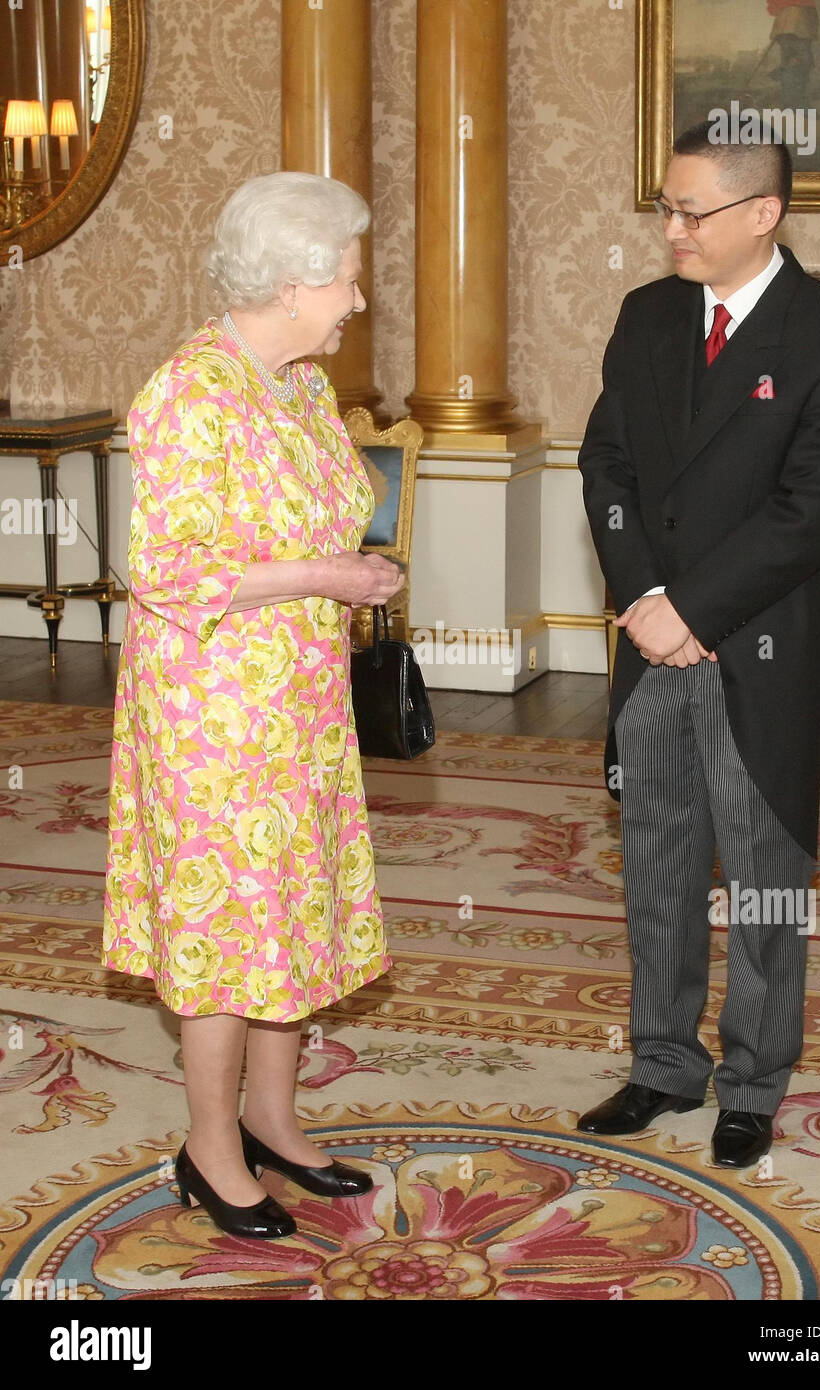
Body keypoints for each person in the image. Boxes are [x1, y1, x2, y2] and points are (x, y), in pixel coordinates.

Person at [576, 121, 820, 1168]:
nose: (669, 229)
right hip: (652, 634)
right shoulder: (648, 317)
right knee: (656, 859)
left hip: (753, 647)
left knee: (763, 869)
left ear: (763, 214)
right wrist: (644, 595)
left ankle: (754, 1078)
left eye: (689, 211)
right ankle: (662, 1061)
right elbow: (606, 464)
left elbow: (809, 514)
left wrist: (692, 611)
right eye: (663, 207)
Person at [101, 171, 405, 1238]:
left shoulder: (303, 386)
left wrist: (354, 571)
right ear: (292, 282)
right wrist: (330, 577)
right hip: (213, 707)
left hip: (302, 698)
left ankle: (273, 1119)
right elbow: (170, 574)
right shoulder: (191, 390)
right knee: (228, 921)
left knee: (291, 903)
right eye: (349, 281)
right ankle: (210, 1148)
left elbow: (323, 517)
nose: (358, 301)